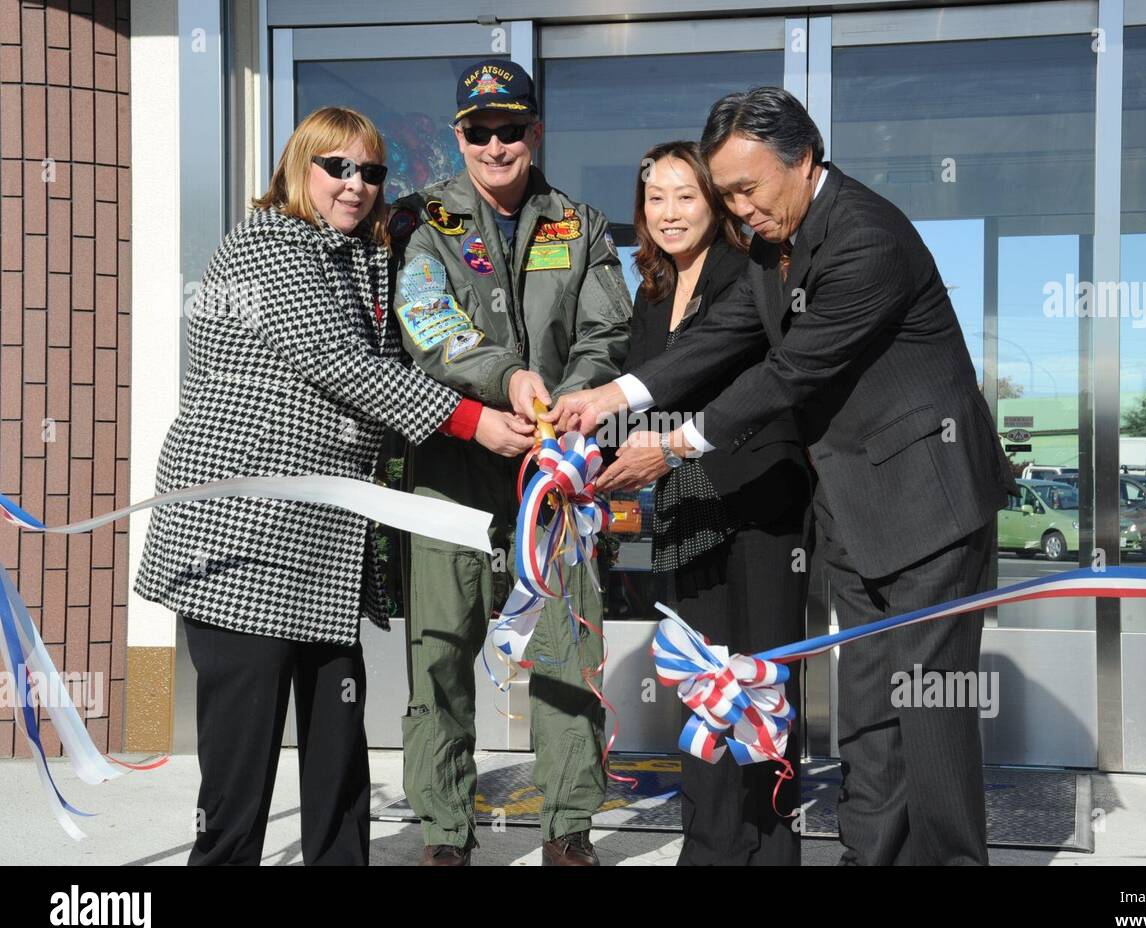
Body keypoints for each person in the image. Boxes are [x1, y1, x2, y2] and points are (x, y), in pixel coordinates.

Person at [546, 88, 1016, 866]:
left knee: (928, 708)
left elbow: (790, 373)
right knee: (867, 710)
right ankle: (874, 855)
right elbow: (721, 336)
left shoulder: (867, 237)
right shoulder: (772, 244)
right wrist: (613, 396)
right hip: (857, 507)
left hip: (929, 502)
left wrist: (672, 446)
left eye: (746, 189)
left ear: (803, 160)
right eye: (724, 191)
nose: (738, 208)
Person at [134, 106, 523, 865]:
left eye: (371, 172)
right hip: (243, 545)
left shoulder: (363, 256)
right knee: (239, 777)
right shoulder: (266, 245)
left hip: (321, 548)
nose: (355, 185)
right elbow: (337, 362)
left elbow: (406, 349)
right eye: (336, 167)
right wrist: (472, 419)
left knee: (338, 748)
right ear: (297, 167)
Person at [387, 59, 632, 867]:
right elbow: (429, 324)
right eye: (479, 130)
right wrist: (504, 380)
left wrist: (573, 400)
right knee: (441, 650)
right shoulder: (421, 223)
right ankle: (446, 831)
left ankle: (568, 828)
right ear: (459, 136)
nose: (496, 145)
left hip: (556, 475)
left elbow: (607, 333)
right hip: (452, 464)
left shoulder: (582, 224)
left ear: (534, 131)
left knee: (567, 647)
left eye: (511, 128)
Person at [622, 141, 811, 865]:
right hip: (688, 508)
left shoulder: (752, 273)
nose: (668, 212)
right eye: (655, 197)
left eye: (685, 195)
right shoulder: (651, 289)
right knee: (705, 684)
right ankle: (706, 847)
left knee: (761, 682)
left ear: (716, 200)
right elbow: (642, 392)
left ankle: (766, 848)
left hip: (761, 503)